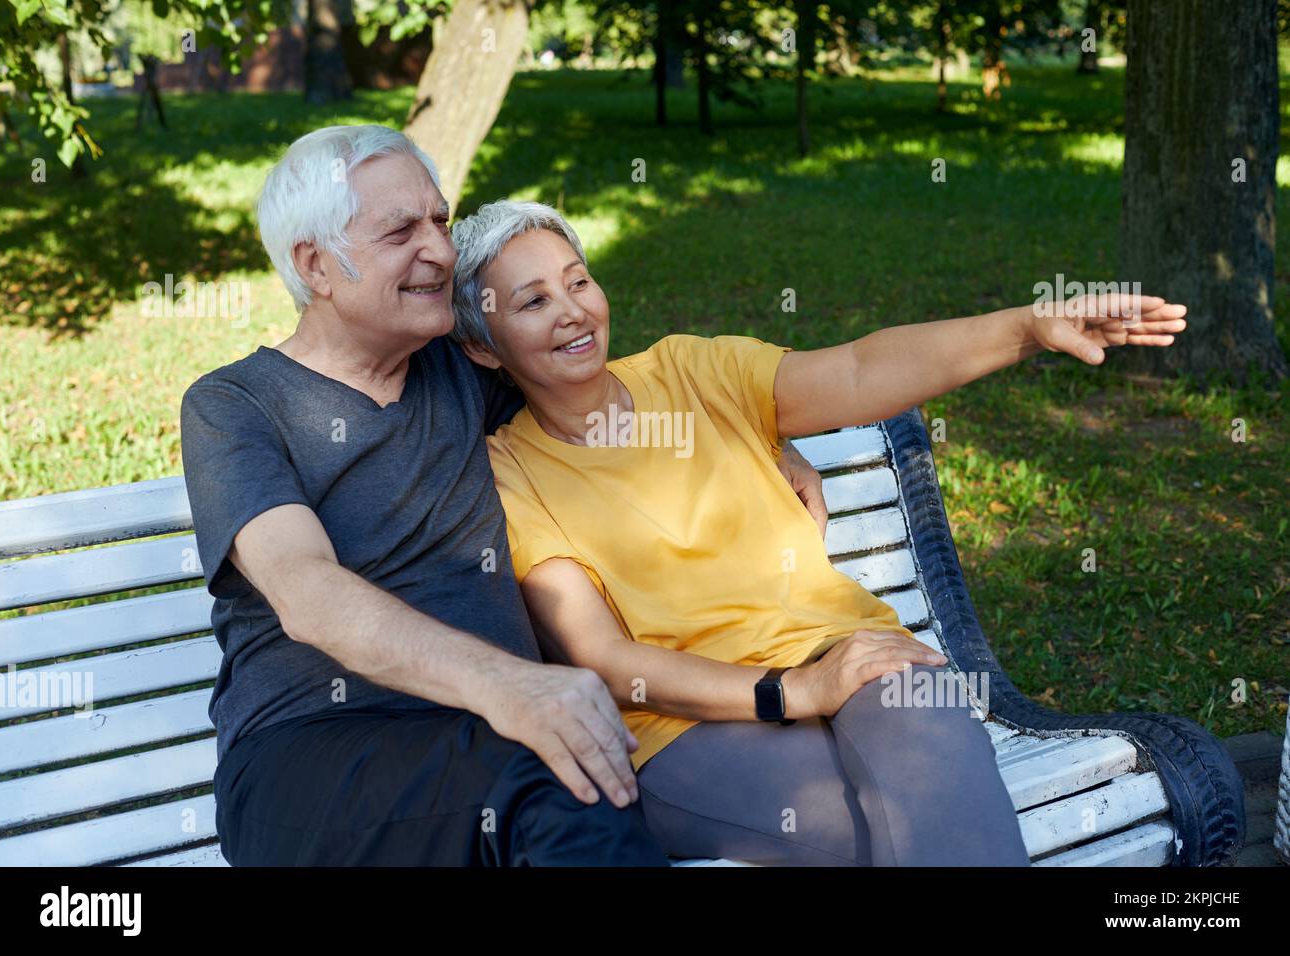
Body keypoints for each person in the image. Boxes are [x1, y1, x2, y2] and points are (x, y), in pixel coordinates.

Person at [449, 199, 1188, 866]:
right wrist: (793, 691)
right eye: (533, 301)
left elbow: (862, 371)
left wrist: (1025, 329)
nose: (572, 311)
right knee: (894, 831)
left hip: (851, 655)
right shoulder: (511, 474)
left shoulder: (693, 371)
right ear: (485, 348)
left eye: (578, 282)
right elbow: (605, 658)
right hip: (685, 731)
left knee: (930, 778)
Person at [177, 125, 828, 866]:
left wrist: (765, 438)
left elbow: (609, 394)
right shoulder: (236, 405)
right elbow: (307, 592)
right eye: (402, 231)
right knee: (561, 787)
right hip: (312, 757)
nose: (442, 251)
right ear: (315, 264)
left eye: (441, 221)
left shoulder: (464, 372)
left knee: (571, 781)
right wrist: (512, 686)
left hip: (491, 745)